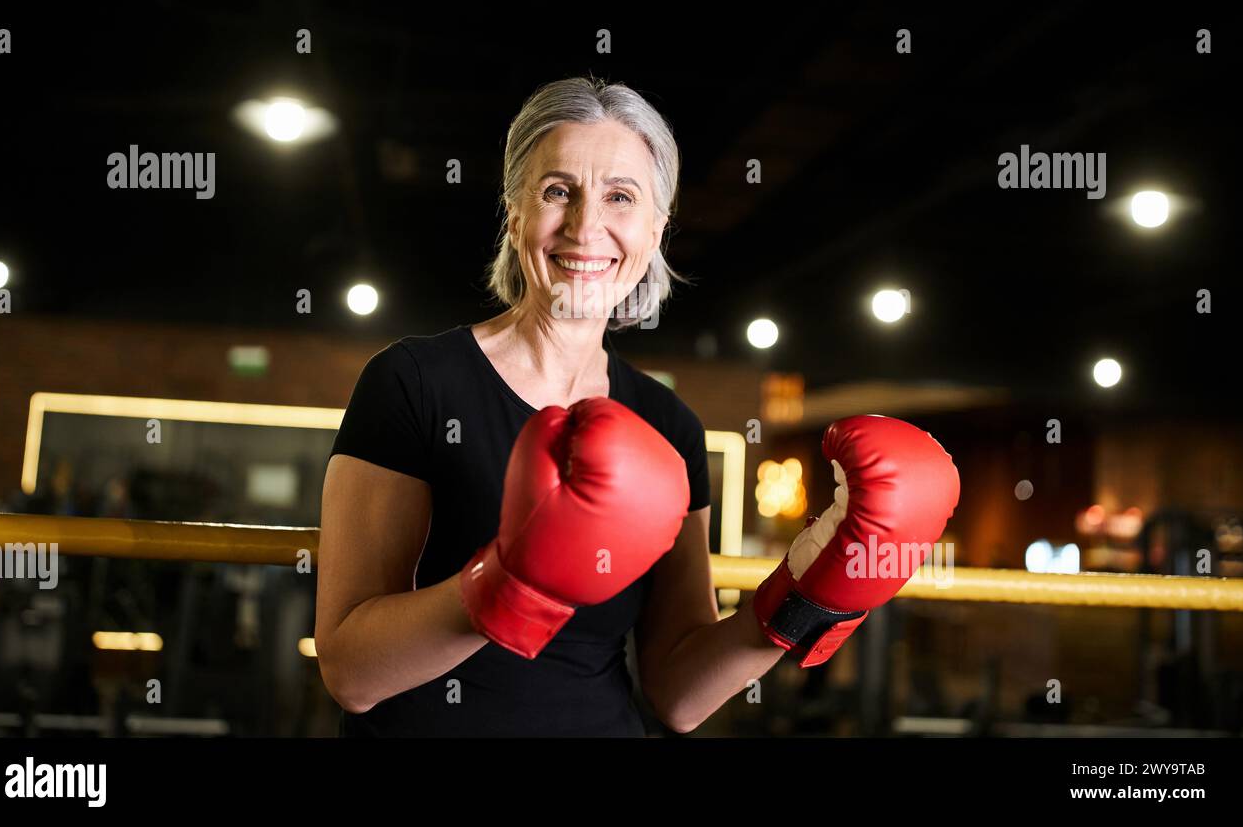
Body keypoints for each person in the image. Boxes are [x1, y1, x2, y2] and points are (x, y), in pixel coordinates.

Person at [315, 76, 959, 736]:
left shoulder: (668, 427)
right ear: (514, 215)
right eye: (557, 191)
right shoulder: (413, 382)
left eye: (620, 197)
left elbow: (679, 695)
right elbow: (350, 673)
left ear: (654, 232)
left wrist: (809, 600)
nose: (585, 225)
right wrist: (512, 583)